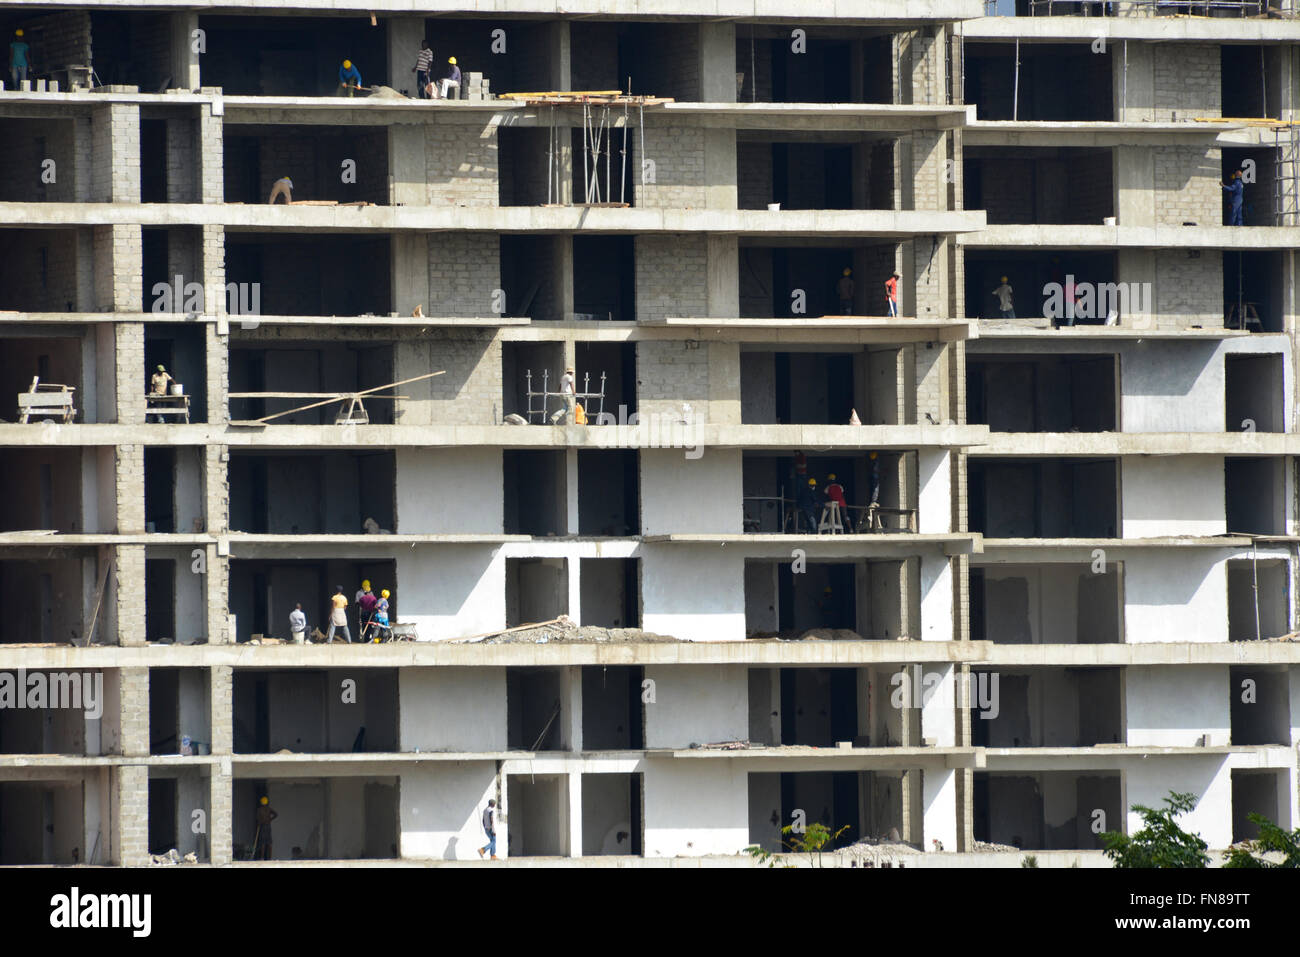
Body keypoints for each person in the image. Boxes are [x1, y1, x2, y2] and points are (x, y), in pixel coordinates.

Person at [254, 796, 278, 860]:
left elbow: (258, 819)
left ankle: (262, 857)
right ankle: (269, 858)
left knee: (263, 843)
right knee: (269, 843)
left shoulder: (259, 809)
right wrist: (270, 819)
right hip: (268, 827)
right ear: (267, 802)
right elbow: (276, 814)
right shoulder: (269, 809)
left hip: (263, 827)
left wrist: (260, 823)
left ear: (261, 803)